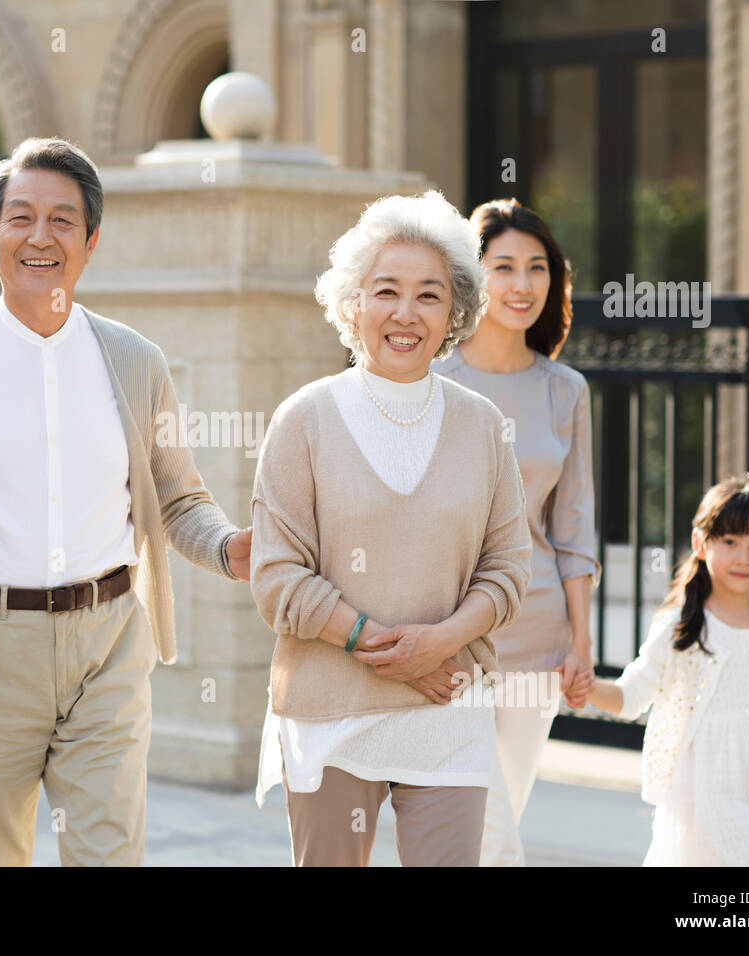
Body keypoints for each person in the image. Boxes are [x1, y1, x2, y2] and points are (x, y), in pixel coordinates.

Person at [0, 136, 253, 867]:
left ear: (91, 240)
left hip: (107, 643)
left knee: (108, 856)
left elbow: (178, 501)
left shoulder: (136, 362)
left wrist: (231, 549)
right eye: (20, 218)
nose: (40, 237)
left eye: (62, 221)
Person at [249, 191, 532, 866]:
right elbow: (275, 576)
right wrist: (392, 650)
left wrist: (444, 642)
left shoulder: (483, 427)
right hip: (331, 712)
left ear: (456, 312)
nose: (406, 314)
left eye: (429, 296)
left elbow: (509, 568)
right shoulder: (304, 419)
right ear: (353, 304)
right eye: (387, 291)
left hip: (449, 714)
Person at [432, 198, 599, 866]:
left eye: (538, 267)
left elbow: (575, 527)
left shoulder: (566, 390)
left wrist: (581, 642)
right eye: (504, 267)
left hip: (538, 642)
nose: (523, 284)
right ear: (474, 276)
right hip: (449, 639)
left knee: (491, 827)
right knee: (488, 828)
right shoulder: (432, 380)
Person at [565, 475, 749, 865]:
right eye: (730, 541)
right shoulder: (684, 626)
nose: (743, 557)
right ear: (701, 543)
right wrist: (588, 688)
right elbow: (632, 696)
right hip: (697, 789)